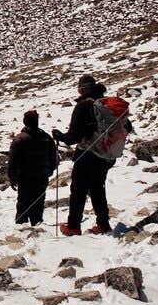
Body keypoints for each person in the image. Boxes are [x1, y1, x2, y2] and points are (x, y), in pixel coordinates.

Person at [53, 75, 131, 236]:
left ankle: (73, 226)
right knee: (97, 188)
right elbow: (127, 126)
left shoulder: (84, 106)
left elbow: (73, 137)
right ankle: (103, 224)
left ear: (82, 89)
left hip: (88, 154)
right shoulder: (107, 105)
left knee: (78, 190)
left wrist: (59, 136)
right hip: (107, 154)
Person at [7, 109, 57, 227]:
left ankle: (21, 227)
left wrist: (12, 178)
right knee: (38, 201)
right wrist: (49, 171)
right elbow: (53, 158)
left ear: (25, 121)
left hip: (24, 177)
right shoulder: (46, 137)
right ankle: (37, 224)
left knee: (23, 202)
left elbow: (13, 162)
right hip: (42, 176)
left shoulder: (19, 139)